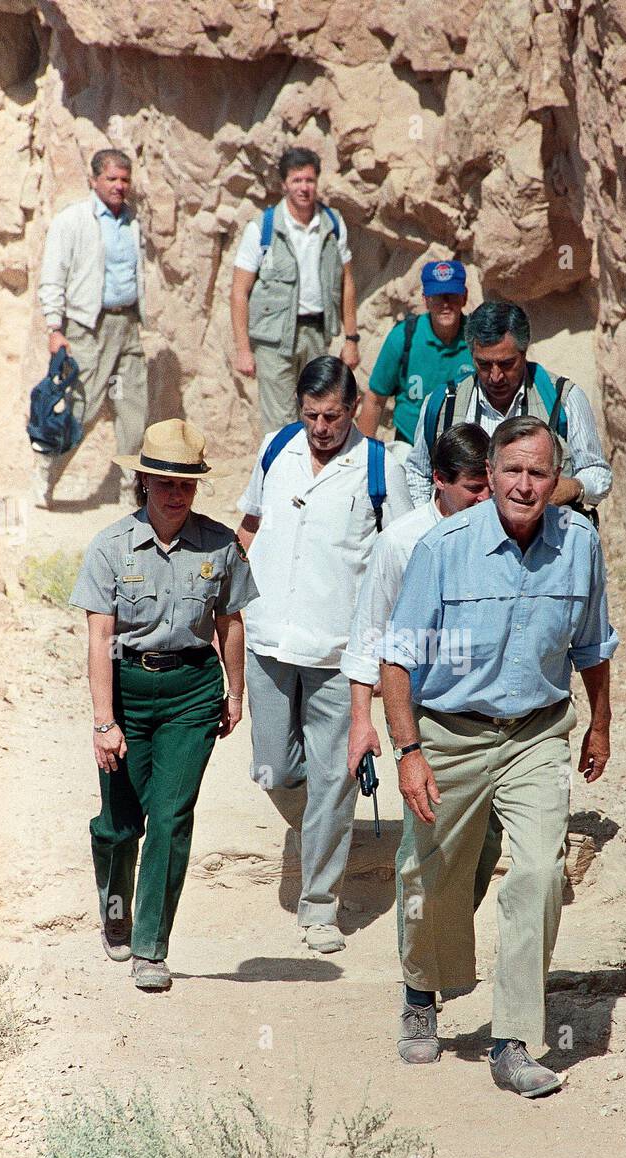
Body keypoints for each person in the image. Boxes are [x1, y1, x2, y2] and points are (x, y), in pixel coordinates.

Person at [380, 417, 618, 1097]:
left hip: (537, 734)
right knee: (432, 873)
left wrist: (600, 725)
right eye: (512, 470)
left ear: (556, 481)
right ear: (489, 473)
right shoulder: (444, 548)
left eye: (538, 473)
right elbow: (398, 659)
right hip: (450, 732)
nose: (524, 484)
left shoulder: (579, 546)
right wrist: (408, 751)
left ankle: (511, 1039)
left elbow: (594, 647)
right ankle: (422, 995)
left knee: (540, 873)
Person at [69, 419, 259, 991]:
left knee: (172, 817)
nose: (176, 494)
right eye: (165, 482)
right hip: (127, 692)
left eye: (187, 484)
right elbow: (100, 637)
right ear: (144, 482)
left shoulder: (220, 544)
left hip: (191, 693)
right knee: (121, 822)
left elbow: (230, 620)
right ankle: (116, 900)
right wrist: (104, 722)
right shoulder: (109, 547)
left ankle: (152, 947)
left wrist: (234, 691)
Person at [236, 356, 411, 955]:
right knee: (274, 770)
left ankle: (319, 906)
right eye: (310, 415)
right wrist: (227, 606)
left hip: (341, 651)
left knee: (334, 778)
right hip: (266, 638)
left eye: (331, 416)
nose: (320, 428)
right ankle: (324, 824)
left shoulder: (383, 468)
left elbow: (403, 561)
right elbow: (250, 526)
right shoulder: (274, 448)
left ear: (354, 408)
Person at [341, 422, 501, 960]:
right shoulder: (402, 543)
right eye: (473, 488)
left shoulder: (507, 536)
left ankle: (439, 942)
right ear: (437, 480)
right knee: (426, 851)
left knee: (487, 850)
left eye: (490, 485)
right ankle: (420, 985)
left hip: (496, 721)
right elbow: (370, 635)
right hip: (427, 721)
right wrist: (363, 722)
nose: (486, 498)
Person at [405, 300, 612, 517]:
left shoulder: (564, 399)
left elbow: (598, 473)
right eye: (483, 365)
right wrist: (431, 524)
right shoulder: (443, 404)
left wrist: (573, 487)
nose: (495, 376)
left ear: (524, 352)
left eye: (506, 364)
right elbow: (418, 472)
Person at [36, 148, 148, 509]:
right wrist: (55, 328)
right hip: (87, 326)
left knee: (134, 410)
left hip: (127, 323)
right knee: (82, 410)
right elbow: (52, 277)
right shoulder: (73, 221)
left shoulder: (132, 221)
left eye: (124, 179)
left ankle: (131, 488)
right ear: (94, 180)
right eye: (111, 178)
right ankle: (46, 475)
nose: (119, 186)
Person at [230, 147, 360, 435]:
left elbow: (346, 281)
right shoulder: (262, 228)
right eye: (297, 180)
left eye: (310, 180)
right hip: (273, 339)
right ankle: (278, 477)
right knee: (280, 424)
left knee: (316, 416)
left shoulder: (333, 224)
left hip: (316, 333)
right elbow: (240, 291)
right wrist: (243, 349)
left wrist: (351, 339)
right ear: (284, 184)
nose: (304, 187)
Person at [355, 261, 472, 444]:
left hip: (460, 448)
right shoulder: (403, 337)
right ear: (425, 300)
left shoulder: (477, 339)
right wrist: (363, 458)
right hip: (409, 443)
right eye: (437, 297)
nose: (445, 305)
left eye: (452, 296)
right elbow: (375, 399)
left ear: (464, 297)